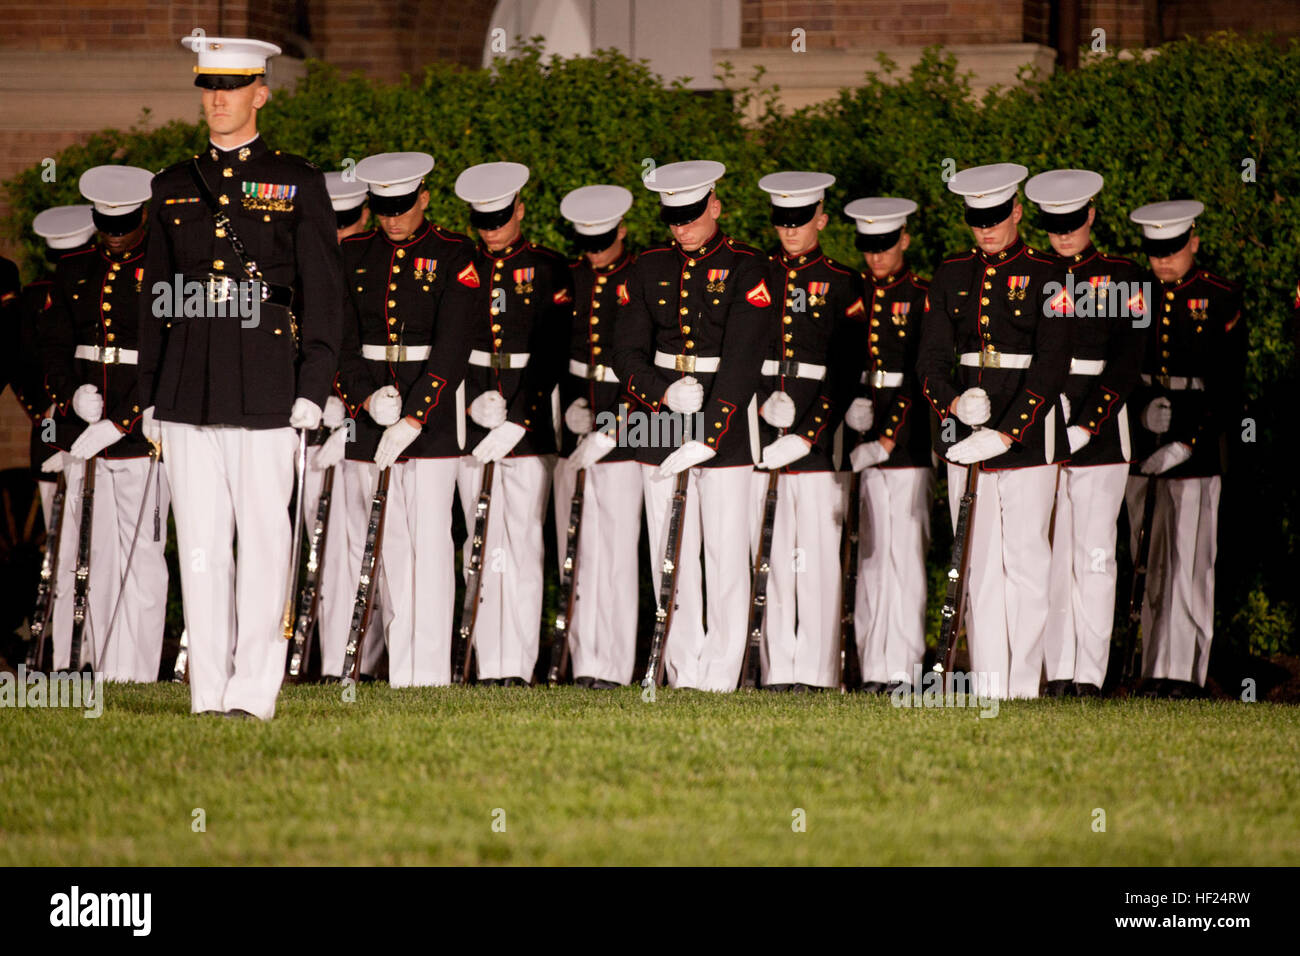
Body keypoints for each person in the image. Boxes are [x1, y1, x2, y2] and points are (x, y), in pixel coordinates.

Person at [136, 35, 343, 719]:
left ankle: (254, 688)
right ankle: (208, 688)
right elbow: (155, 300)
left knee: (262, 538)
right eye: (208, 86)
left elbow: (323, 290)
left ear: (261, 91)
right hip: (188, 386)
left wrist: (313, 386)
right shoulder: (170, 184)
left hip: (267, 381)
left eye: (232, 85)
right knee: (198, 542)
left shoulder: (296, 180)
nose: (218, 98)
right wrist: (149, 397)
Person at [610, 160, 774, 691]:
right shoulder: (647, 264)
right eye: (673, 217)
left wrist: (710, 431)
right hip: (661, 420)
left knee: (727, 553)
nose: (682, 226)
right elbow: (625, 349)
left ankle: (721, 674)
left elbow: (745, 358)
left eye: (692, 214)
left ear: (715, 206)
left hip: (725, 421)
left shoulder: (748, 265)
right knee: (669, 549)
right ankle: (682, 667)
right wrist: (660, 392)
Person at [916, 163, 1070, 700]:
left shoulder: (1051, 273)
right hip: (965, 435)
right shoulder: (950, 272)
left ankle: (1024, 686)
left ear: (1018, 211)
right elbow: (931, 358)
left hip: (1025, 440)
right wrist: (954, 404)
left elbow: (1051, 365)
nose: (986, 228)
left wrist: (1007, 432)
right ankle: (988, 682)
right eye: (976, 218)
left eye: (996, 217)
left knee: (1027, 562)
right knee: (977, 565)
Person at [334, 151, 479, 686]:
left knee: (432, 549)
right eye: (382, 208)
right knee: (392, 546)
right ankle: (403, 671)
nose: (393, 218)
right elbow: (343, 341)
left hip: (434, 423)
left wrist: (416, 415)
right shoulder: (353, 253)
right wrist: (367, 399)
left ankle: (429, 673)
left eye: (402, 206)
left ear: (423, 198)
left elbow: (454, 345)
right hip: (372, 417)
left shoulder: (453, 253)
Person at [40, 165, 172, 682]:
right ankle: (92, 662)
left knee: (142, 557)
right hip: (83, 433)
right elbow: (52, 344)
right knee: (90, 555)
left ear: (143, 219)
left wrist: (121, 420)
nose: (115, 238)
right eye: (107, 227)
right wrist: (69, 395)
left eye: (125, 227)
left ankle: (135, 673)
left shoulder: (164, 271)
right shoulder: (74, 269)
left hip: (139, 437)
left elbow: (166, 354)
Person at [1025, 169, 1147, 697]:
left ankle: (1091, 676)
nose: (1064, 236)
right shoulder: (1032, 275)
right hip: (1044, 428)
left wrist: (1087, 422)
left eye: (1073, 224)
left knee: (1095, 556)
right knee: (1050, 554)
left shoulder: (1123, 276)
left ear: (1091, 215)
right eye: (1054, 227)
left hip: (1099, 435)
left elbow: (1127, 362)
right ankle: (1059, 669)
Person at [453, 161, 572, 685]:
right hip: (471, 426)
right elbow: (447, 344)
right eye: (484, 221)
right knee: (476, 546)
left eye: (502, 217)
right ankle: (483, 658)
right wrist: (470, 405)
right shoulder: (460, 265)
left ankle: (516, 666)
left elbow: (554, 351)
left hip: (529, 429)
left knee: (521, 547)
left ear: (520, 209)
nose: (493, 229)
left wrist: (519, 416)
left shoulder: (550, 268)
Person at [750, 171, 866, 691]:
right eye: (782, 220)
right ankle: (779, 670)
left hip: (819, 438)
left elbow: (846, 367)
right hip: (759, 430)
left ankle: (817, 673)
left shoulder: (844, 282)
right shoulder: (753, 273)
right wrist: (755, 408)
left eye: (800, 219)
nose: (790, 229)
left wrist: (810, 430)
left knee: (816, 557)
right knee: (771, 554)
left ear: (821, 218)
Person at [1125, 200, 1243, 698]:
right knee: (1146, 561)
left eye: (1172, 249)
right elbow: (1119, 365)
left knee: (1190, 565)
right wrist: (1138, 415)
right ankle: (1152, 668)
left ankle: (1185, 673)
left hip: (1195, 452)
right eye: (1155, 251)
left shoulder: (1219, 295)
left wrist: (1187, 442)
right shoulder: (1134, 295)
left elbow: (1228, 385)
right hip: (1143, 441)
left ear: (1193, 239)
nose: (1164, 260)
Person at [554, 184, 642, 687]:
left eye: (604, 241)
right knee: (581, 553)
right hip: (578, 431)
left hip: (626, 437)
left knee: (616, 555)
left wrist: (612, 426)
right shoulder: (573, 279)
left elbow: (647, 362)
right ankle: (584, 661)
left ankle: (613, 664)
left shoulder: (640, 277)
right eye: (588, 244)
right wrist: (571, 410)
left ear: (622, 232)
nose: (595, 252)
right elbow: (560, 356)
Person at [843, 196, 932, 693]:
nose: (875, 257)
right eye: (867, 247)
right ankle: (873, 665)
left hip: (906, 445)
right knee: (873, 557)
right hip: (864, 438)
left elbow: (922, 371)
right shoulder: (855, 293)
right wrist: (856, 405)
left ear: (904, 239)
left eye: (884, 246)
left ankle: (905, 667)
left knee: (905, 560)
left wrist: (887, 436)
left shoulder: (921, 295)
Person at [296, 169, 383, 681]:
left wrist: (348, 409)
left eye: (347, 220)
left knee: (369, 545)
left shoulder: (371, 266)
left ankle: (365, 660)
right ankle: (333, 661)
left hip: (367, 425)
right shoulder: (301, 266)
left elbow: (369, 354)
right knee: (324, 546)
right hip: (310, 423)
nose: (340, 232)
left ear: (365, 215)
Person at [25, 205, 97, 668]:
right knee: (65, 554)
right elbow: (35, 378)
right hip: (59, 431)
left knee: (84, 553)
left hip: (80, 431)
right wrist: (51, 425)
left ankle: (86, 652)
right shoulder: (39, 301)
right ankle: (62, 653)